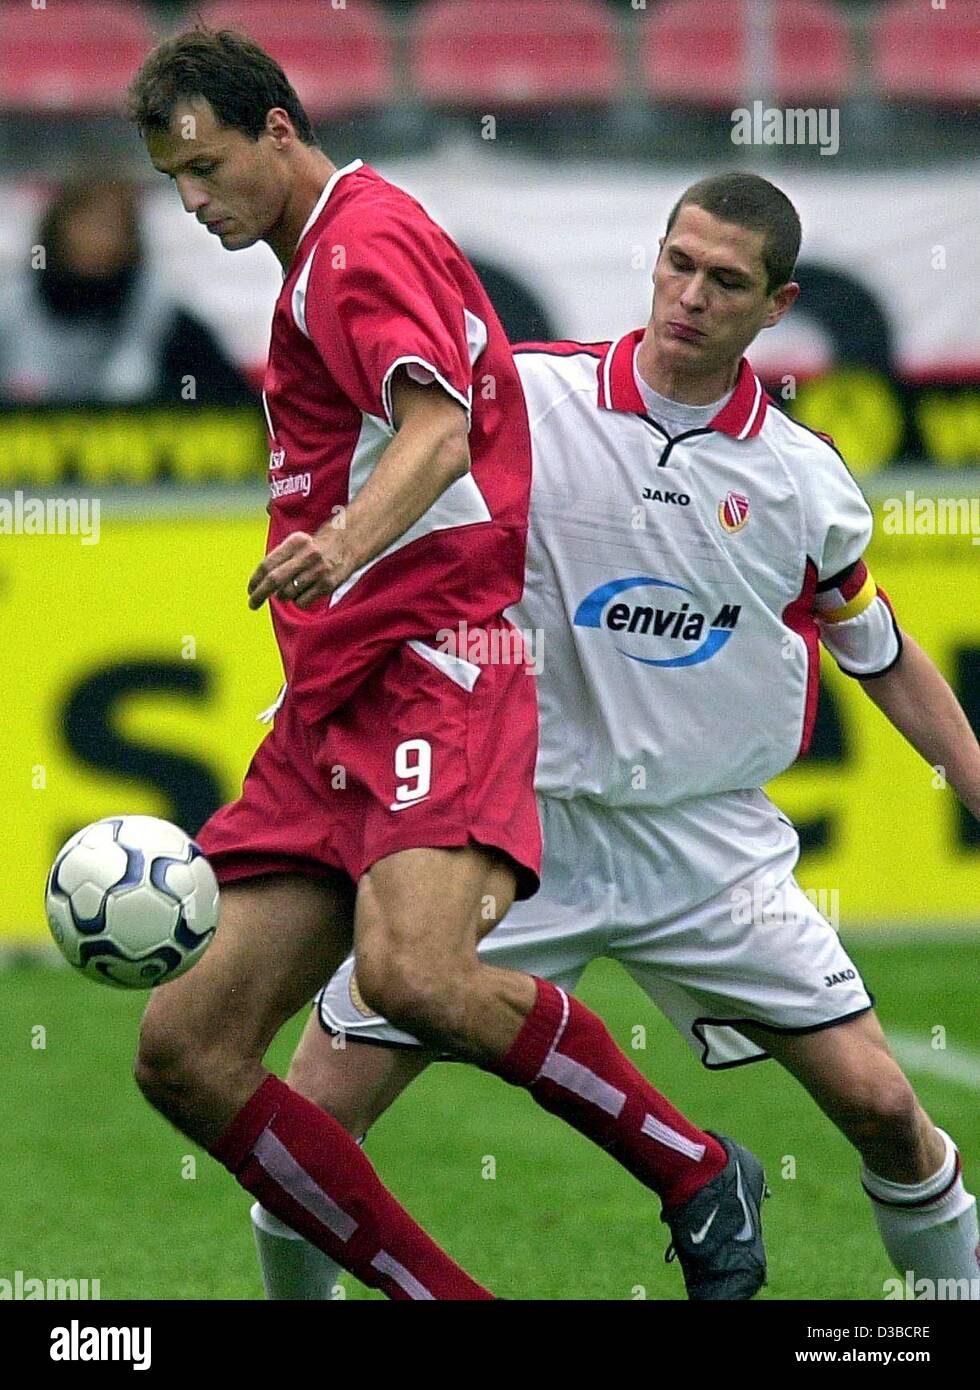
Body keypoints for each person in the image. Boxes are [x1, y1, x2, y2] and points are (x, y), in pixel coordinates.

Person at [249, 172, 980, 1301]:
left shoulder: (803, 482)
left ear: (776, 304)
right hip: (512, 831)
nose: (688, 294)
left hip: (706, 849)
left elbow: (872, 647)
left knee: (885, 1110)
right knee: (306, 1125)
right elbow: (407, 500)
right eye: (675, 262)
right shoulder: (528, 400)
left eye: (724, 280)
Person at [124, 30, 767, 1302]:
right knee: (186, 1048)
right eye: (172, 182)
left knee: (417, 974)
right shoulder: (323, 259)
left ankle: (694, 1165)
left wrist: (341, 545)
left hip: (435, 658)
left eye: (204, 168)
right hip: (339, 696)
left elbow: (440, 426)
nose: (193, 203)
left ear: (278, 130)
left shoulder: (356, 247)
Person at [0, 176, 253, 405]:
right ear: (56, 231)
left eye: (110, 227)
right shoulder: (9, 316)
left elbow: (231, 411)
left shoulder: (170, 325)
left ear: (132, 239)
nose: (98, 239)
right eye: (87, 225)